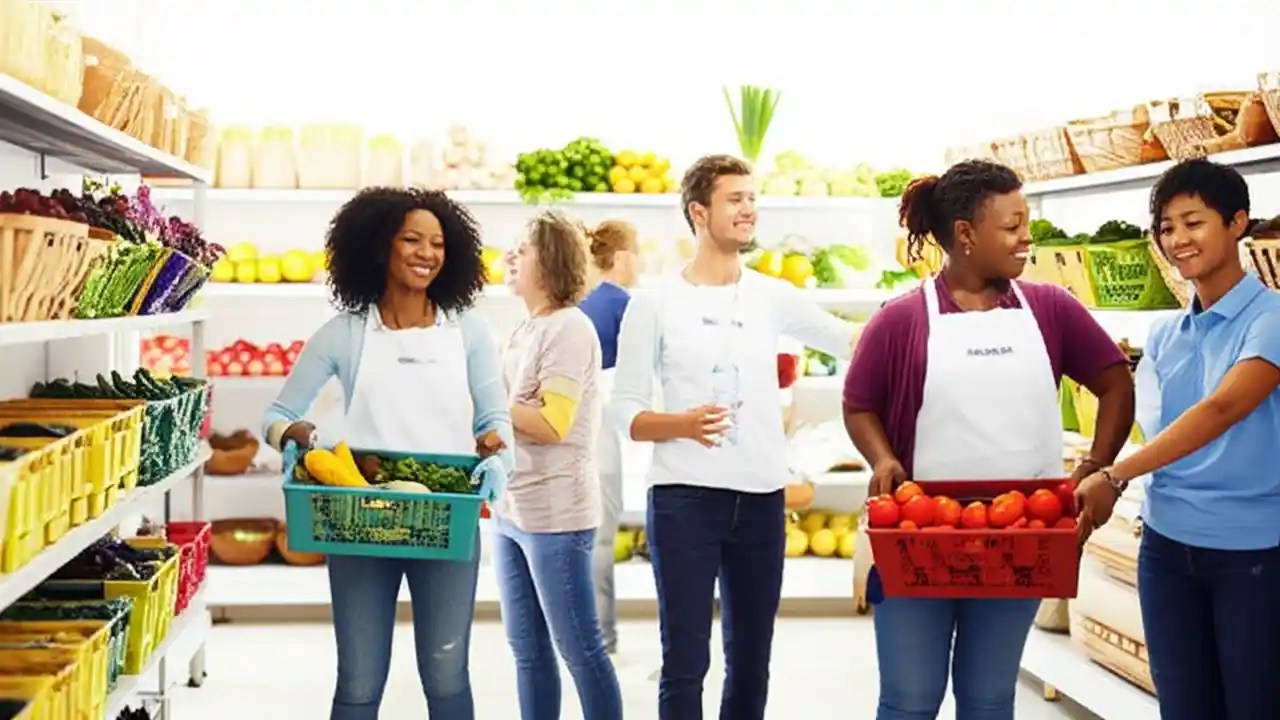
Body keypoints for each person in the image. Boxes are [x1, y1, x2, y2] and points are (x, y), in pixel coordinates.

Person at [842, 159, 1135, 720]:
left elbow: (1114, 380)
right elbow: (859, 404)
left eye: (1026, 222)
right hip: (917, 532)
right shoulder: (901, 319)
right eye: (1012, 225)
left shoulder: (1049, 308)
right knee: (908, 700)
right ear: (966, 235)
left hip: (1022, 532)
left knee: (989, 699)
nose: (1026, 237)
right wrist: (881, 458)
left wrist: (1098, 464)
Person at [611, 154, 859, 720]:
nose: (749, 209)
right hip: (684, 502)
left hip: (762, 500)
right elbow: (624, 411)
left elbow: (850, 340)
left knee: (752, 659)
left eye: (752, 198)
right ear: (699, 212)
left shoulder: (772, 295)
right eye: (735, 199)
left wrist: (933, 307)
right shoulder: (653, 302)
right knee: (684, 662)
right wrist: (681, 425)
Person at [261, 187, 513, 720]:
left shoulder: (467, 331)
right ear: (380, 247)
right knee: (357, 680)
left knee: (447, 676)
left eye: (438, 243)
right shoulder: (347, 333)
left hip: (446, 517)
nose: (427, 253)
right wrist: (294, 439)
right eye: (412, 240)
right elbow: (276, 415)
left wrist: (499, 459)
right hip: (360, 517)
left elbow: (494, 421)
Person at [1075, 158, 1280, 720]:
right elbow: (1162, 432)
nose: (1178, 239)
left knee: (1255, 707)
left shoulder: (1271, 318)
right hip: (1165, 548)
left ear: (1237, 222)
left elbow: (1224, 407)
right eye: (1166, 227)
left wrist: (1115, 475)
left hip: (1253, 553)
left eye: (1194, 222)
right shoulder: (1166, 333)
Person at [497, 210, 623, 720]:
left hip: (556, 516)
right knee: (527, 651)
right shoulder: (525, 328)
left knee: (581, 650)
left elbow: (553, 422)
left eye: (522, 249)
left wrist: (482, 410)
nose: (509, 256)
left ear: (548, 262)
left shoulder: (570, 329)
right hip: (513, 510)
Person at [577, 218, 641, 655]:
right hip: (598, 428)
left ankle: (581, 632)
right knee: (601, 532)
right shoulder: (622, 304)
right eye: (639, 253)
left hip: (567, 428)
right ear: (621, 257)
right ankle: (601, 636)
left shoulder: (576, 303)